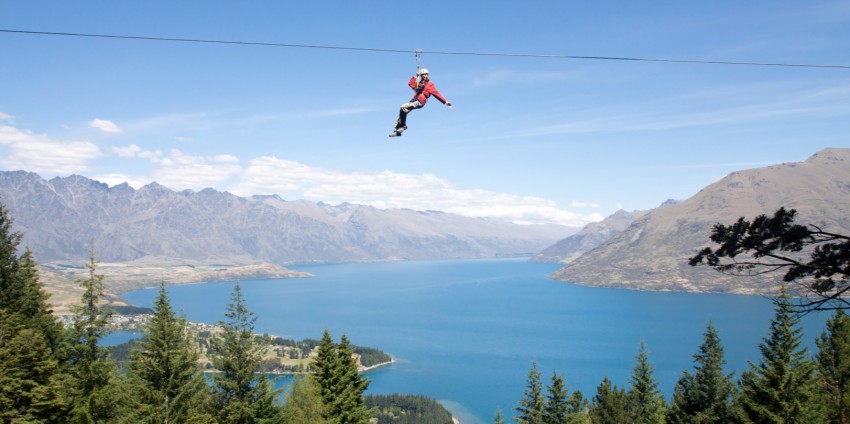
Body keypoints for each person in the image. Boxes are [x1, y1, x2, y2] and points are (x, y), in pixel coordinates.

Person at [390, 68, 452, 137]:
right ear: (421, 75)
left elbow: (436, 94)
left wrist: (445, 101)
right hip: (414, 100)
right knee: (403, 112)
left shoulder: (430, 84)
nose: (426, 76)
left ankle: (403, 126)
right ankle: (398, 130)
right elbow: (410, 83)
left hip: (420, 101)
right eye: (424, 74)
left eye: (427, 74)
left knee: (403, 107)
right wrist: (416, 76)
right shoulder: (419, 84)